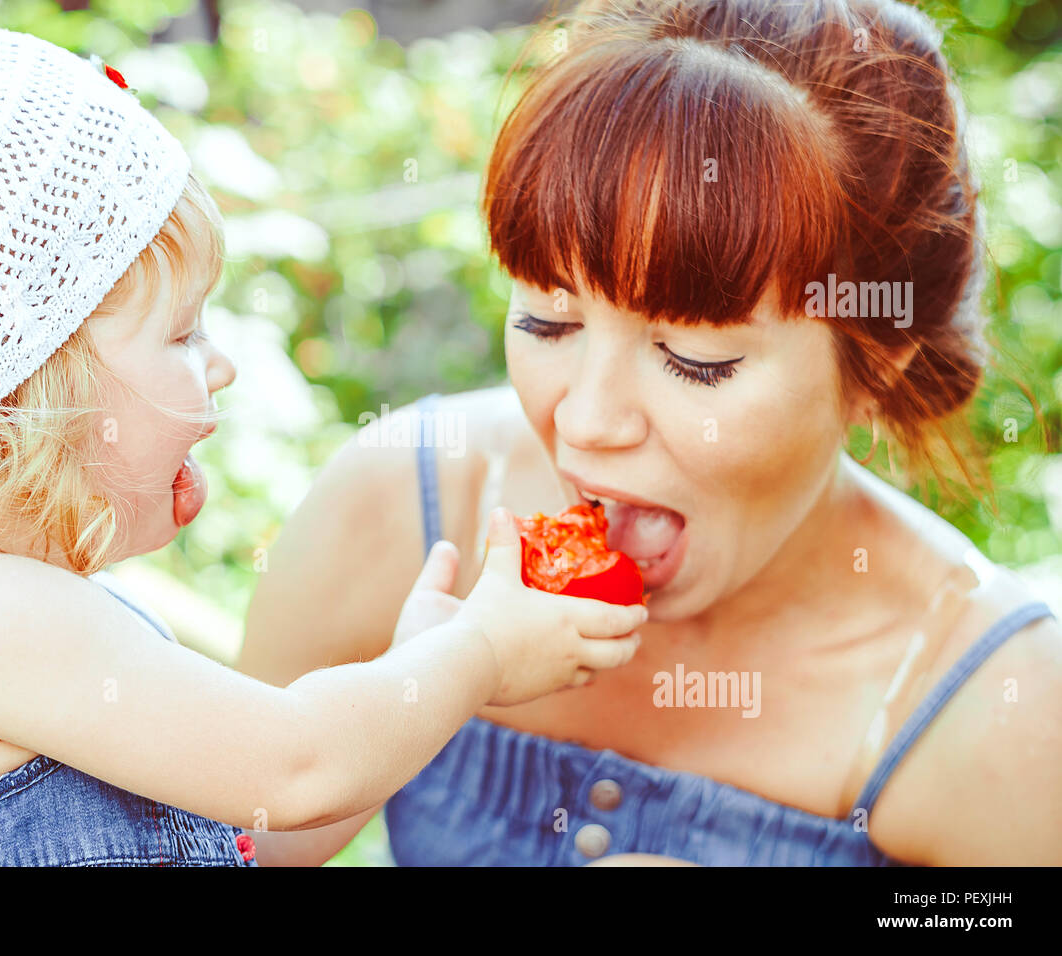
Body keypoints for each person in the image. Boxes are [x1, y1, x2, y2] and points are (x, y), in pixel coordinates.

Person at [0, 14, 648, 866]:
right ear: (34, 395)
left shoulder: (42, 613)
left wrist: (418, 665)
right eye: (183, 335)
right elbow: (299, 766)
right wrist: (478, 653)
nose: (219, 365)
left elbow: (267, 830)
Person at [237, 0, 1062, 866]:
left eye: (695, 359)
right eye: (550, 322)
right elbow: (213, 845)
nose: (586, 423)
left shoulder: (999, 704)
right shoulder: (402, 500)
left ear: (878, 363)